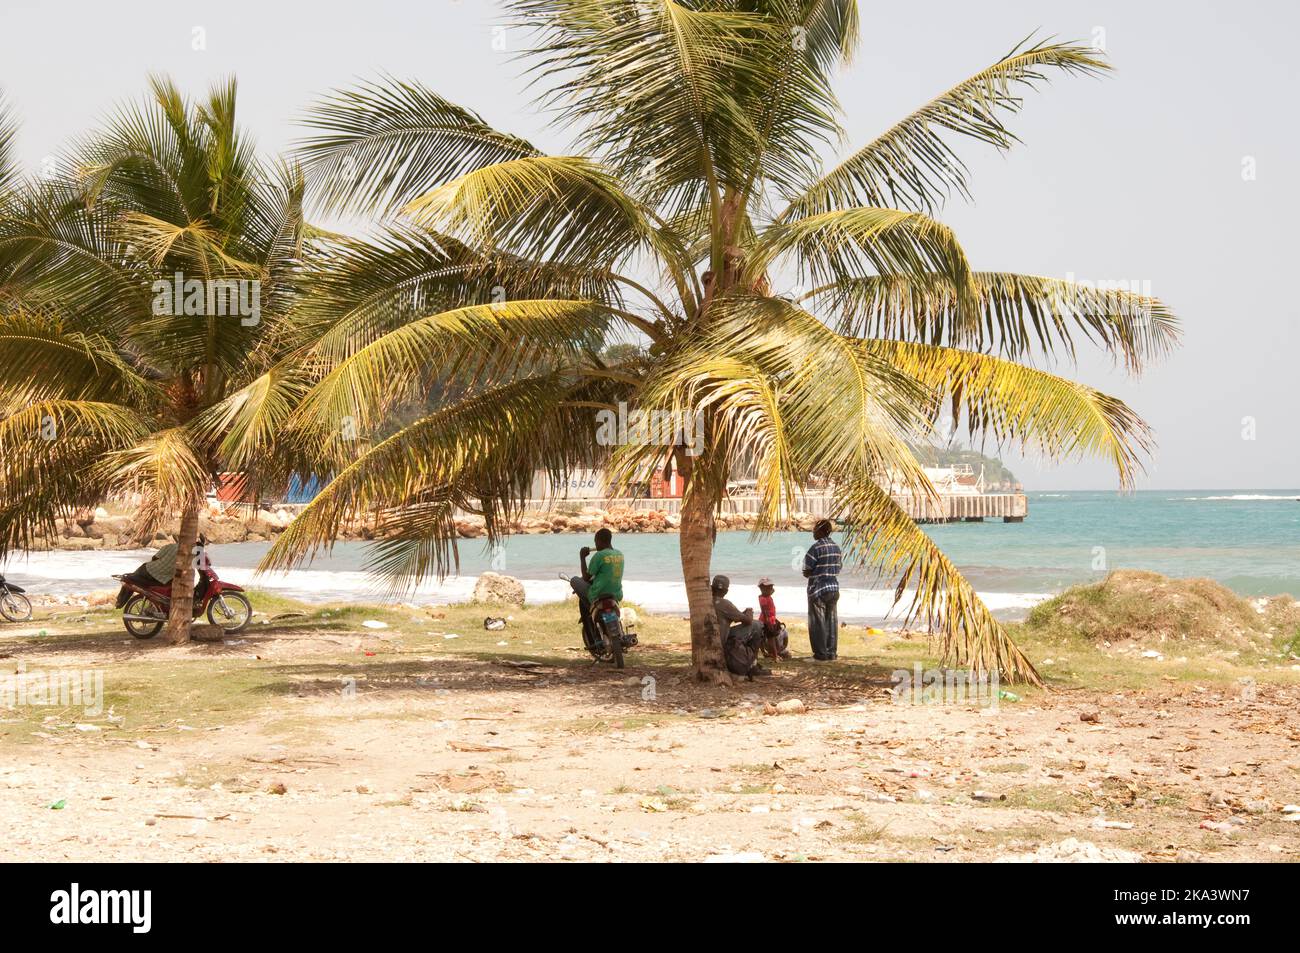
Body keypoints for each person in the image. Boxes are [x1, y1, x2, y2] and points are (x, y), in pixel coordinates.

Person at [711, 574, 769, 676]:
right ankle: (752, 665)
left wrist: (742, 615)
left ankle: (744, 659)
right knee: (757, 625)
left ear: (711, 587)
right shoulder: (724, 603)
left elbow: (732, 616)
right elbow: (748, 621)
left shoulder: (706, 601)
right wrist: (749, 611)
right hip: (722, 641)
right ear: (726, 591)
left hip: (713, 639)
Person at [802, 519, 842, 660]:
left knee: (817, 623)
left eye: (815, 529)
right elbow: (839, 567)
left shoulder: (816, 548)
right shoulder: (836, 547)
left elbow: (807, 570)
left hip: (818, 589)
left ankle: (820, 654)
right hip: (833, 588)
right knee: (831, 622)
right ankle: (831, 653)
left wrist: (811, 573)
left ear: (821, 531)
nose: (813, 532)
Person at [573, 528, 624, 611]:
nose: (596, 545)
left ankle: (590, 607)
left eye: (595, 542)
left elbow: (586, 577)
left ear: (599, 541)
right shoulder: (620, 554)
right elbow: (605, 573)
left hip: (598, 594)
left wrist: (582, 557)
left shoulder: (599, 555)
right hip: (616, 595)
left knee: (574, 580)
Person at [756, 577, 791, 660]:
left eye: (770, 587)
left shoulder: (765, 596)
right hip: (767, 621)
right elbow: (766, 613)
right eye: (767, 588)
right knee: (770, 639)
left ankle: (768, 653)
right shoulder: (764, 599)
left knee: (763, 638)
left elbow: (772, 591)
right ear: (761, 588)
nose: (770, 589)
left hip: (768, 620)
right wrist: (769, 624)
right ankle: (775, 656)